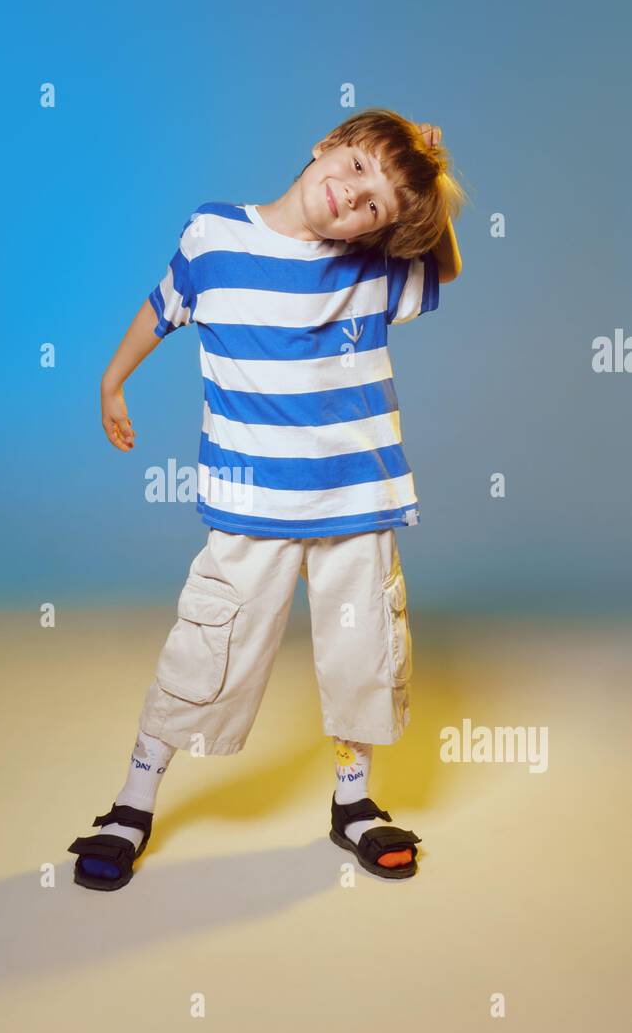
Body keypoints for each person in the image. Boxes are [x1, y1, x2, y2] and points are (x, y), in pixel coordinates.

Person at [68, 108, 465, 890]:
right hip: (252, 503)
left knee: (363, 654)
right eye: (356, 167)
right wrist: (113, 380)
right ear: (327, 145)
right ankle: (133, 799)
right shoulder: (214, 236)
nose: (353, 197)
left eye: (375, 206)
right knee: (208, 646)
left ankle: (354, 801)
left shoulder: (373, 267)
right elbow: (162, 307)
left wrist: (427, 178)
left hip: (356, 500)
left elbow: (441, 263)